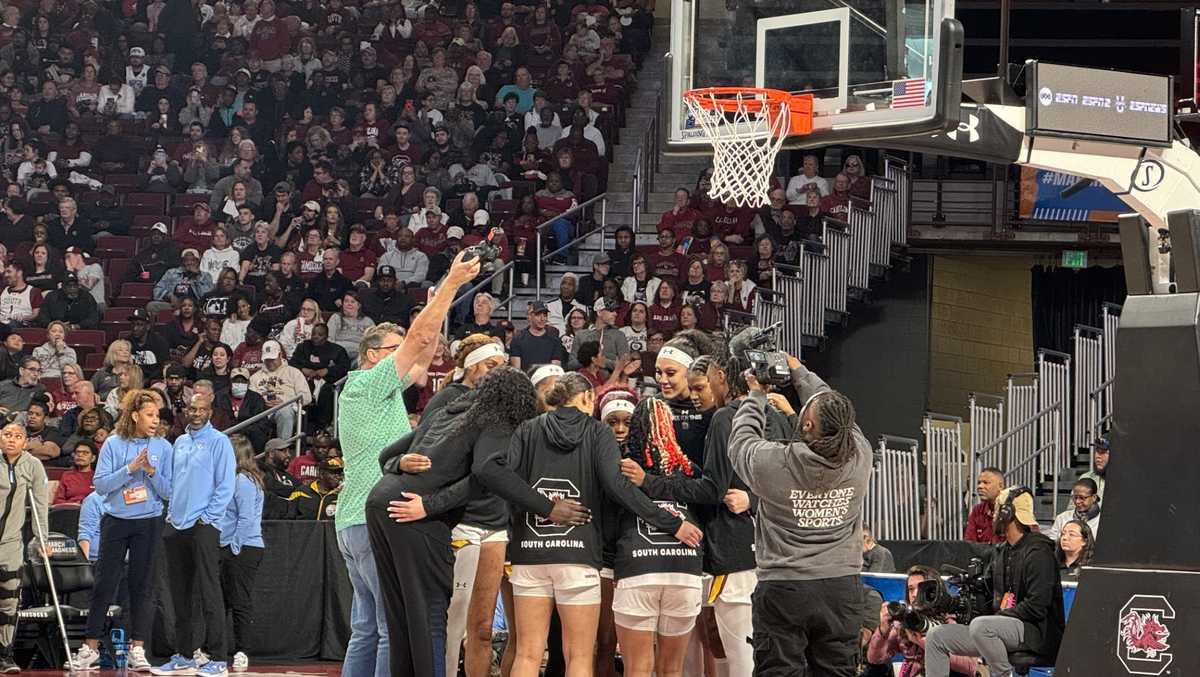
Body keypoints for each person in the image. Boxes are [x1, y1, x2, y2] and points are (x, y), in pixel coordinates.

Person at [375, 368, 593, 677]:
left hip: (478, 523)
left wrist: (398, 462)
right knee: (438, 618)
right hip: (448, 519)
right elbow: (486, 473)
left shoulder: (460, 414)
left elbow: (387, 454)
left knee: (467, 626)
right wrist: (549, 508)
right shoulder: (493, 419)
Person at [335, 251, 480, 677]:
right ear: (373, 355)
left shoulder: (372, 390)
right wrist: (452, 285)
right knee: (387, 628)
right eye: (393, 350)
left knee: (365, 629)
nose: (405, 357)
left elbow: (423, 351)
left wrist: (436, 309)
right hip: (370, 516)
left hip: (353, 519)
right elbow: (417, 347)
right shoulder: (364, 383)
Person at [727, 359, 872, 676]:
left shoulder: (775, 463)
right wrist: (800, 372)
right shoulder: (861, 454)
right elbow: (829, 402)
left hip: (784, 586)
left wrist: (757, 395)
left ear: (806, 426)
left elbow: (740, 441)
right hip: (841, 587)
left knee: (778, 671)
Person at [68, 390, 172, 672]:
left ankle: (138, 649)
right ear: (135, 415)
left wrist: (150, 471)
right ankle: (89, 647)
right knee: (104, 584)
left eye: (157, 415)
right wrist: (130, 468)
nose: (155, 420)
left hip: (149, 521)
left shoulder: (163, 447)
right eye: (150, 415)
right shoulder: (113, 443)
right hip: (116, 519)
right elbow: (101, 486)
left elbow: (169, 491)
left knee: (142, 586)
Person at [924, 487, 1066, 677]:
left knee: (982, 626)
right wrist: (955, 603)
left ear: (1008, 514)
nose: (993, 515)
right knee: (936, 637)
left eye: (997, 509)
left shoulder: (1039, 553)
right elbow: (986, 591)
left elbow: (1037, 606)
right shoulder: (1001, 552)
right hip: (996, 628)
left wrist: (1002, 614)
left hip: (1035, 631)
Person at [154, 393, 235, 676]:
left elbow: (226, 485)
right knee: (180, 594)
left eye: (202, 409)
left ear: (210, 411)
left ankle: (219, 659)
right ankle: (184, 654)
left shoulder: (220, 442)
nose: (197, 413)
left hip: (204, 527)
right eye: (192, 408)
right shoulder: (180, 442)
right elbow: (174, 484)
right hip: (176, 525)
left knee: (210, 592)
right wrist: (170, 514)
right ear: (185, 410)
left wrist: (207, 518)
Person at [864, 566, 977, 677]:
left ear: (935, 591)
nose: (914, 594)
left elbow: (970, 667)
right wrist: (882, 629)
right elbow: (874, 660)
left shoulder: (952, 619)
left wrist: (921, 641)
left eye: (921, 588)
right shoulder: (905, 620)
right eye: (911, 589)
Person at [0, 422, 48, 672]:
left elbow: (40, 505)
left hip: (10, 542)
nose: (11, 440)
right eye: (7, 434)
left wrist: (43, 539)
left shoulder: (33, 465)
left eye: (18, 436)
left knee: (9, 599)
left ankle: (4, 653)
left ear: (25, 442)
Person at [219, 434, 265, 673]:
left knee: (239, 601)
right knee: (224, 600)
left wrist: (233, 547)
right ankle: (214, 648)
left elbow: (246, 518)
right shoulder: (237, 479)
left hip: (243, 547)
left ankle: (241, 651)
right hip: (234, 545)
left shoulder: (243, 480)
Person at [248, 339, 312, 439]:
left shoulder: (293, 372)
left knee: (284, 412)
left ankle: (282, 448)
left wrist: (284, 402)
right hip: (263, 412)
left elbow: (307, 397)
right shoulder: (254, 378)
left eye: (272, 359)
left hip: (288, 410)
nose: (269, 363)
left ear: (280, 355)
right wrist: (263, 404)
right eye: (267, 359)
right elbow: (251, 401)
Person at [509, 300, 564, 370]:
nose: (542, 319)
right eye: (538, 315)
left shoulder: (554, 341)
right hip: (524, 379)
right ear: (530, 316)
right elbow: (516, 371)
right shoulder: (518, 339)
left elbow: (555, 369)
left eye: (545, 315)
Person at [965, 467, 1006, 544]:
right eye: (979, 483)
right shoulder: (977, 510)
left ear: (1000, 486)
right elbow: (969, 544)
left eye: (986, 483)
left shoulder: (1013, 509)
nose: (980, 486)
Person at [53, 440, 97, 504]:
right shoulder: (67, 475)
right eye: (77, 452)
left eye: (85, 453)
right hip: (69, 510)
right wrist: (72, 504)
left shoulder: (98, 477)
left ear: (93, 458)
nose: (80, 455)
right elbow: (58, 500)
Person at [1079, 436, 1108, 502]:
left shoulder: (1123, 481)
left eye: (1103, 452)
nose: (1098, 456)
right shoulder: (1086, 478)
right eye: (1097, 451)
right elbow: (1071, 509)